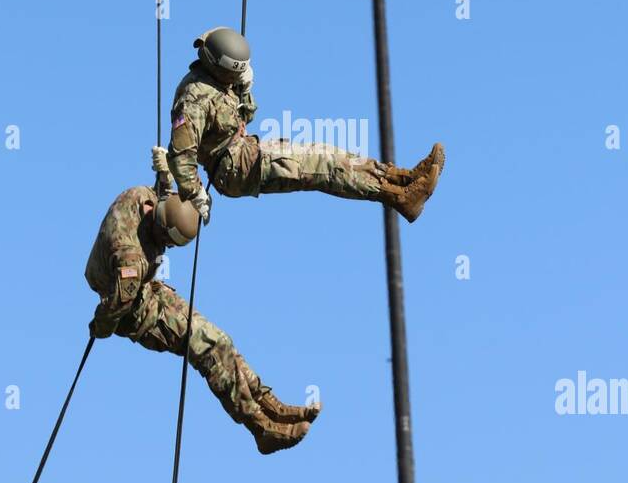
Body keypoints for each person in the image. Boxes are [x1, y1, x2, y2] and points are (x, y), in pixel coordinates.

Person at [84, 184, 318, 455]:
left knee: (220, 339)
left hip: (149, 291)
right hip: (137, 314)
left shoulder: (142, 196)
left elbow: (165, 191)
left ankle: (269, 404)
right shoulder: (131, 260)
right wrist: (99, 326)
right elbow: (118, 305)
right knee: (208, 352)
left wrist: (188, 192)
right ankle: (260, 427)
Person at [158, 26, 445, 226]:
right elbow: (181, 155)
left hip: (247, 152)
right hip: (237, 168)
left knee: (331, 154)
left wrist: (244, 90)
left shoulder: (220, 84)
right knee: (325, 167)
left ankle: (402, 179)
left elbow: (242, 118)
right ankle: (400, 197)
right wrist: (195, 193)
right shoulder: (193, 97)